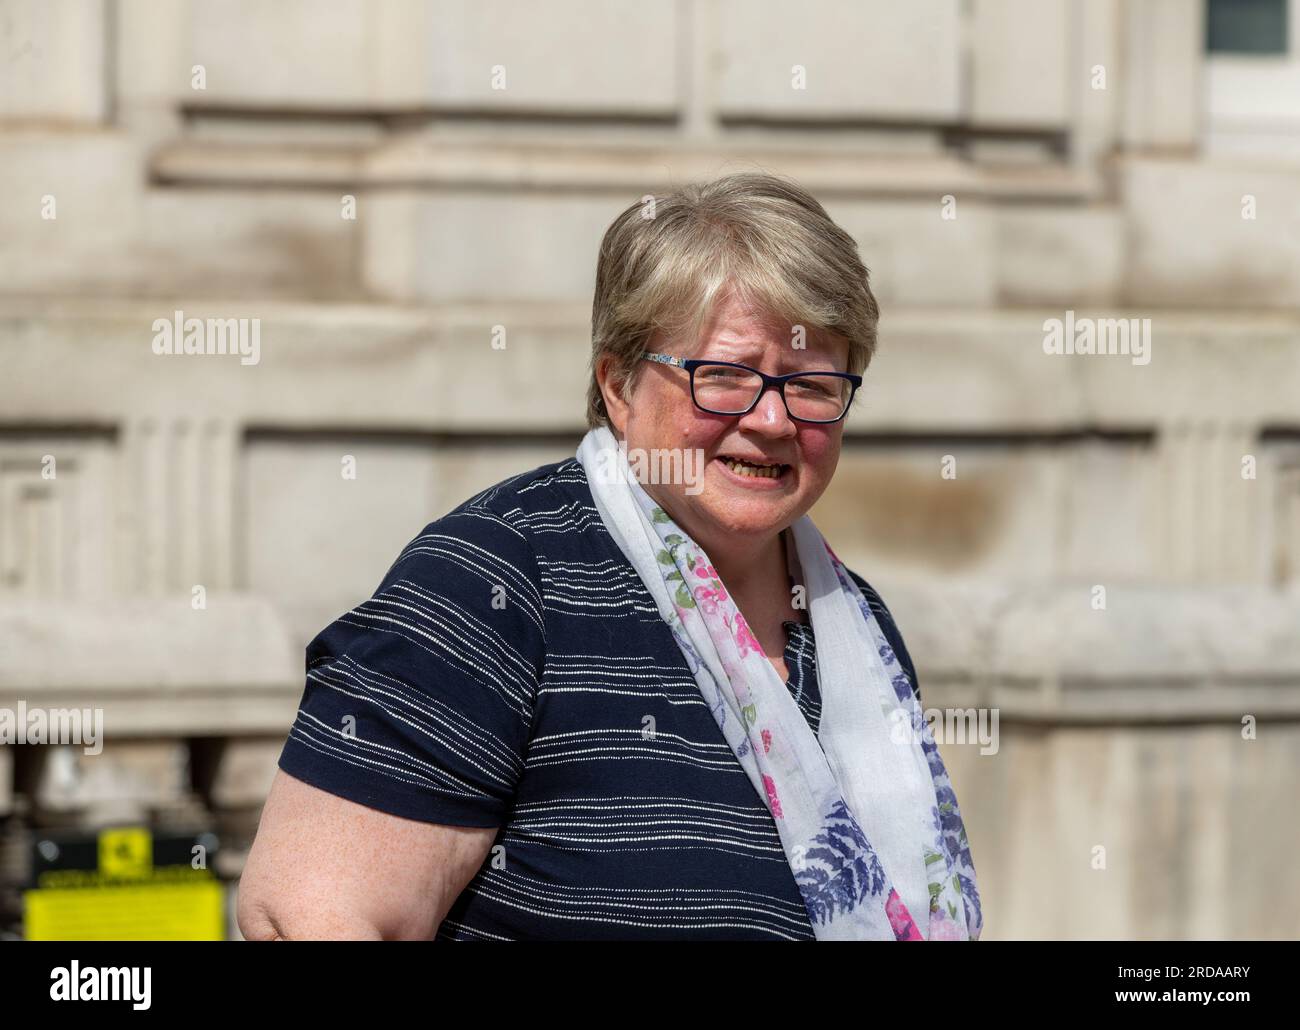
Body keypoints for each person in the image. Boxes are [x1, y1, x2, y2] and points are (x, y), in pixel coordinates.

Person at [237, 172, 981, 940]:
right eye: (723, 376)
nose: (770, 419)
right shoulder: (497, 582)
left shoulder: (850, 625)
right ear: (617, 385)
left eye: (814, 384)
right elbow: (306, 916)